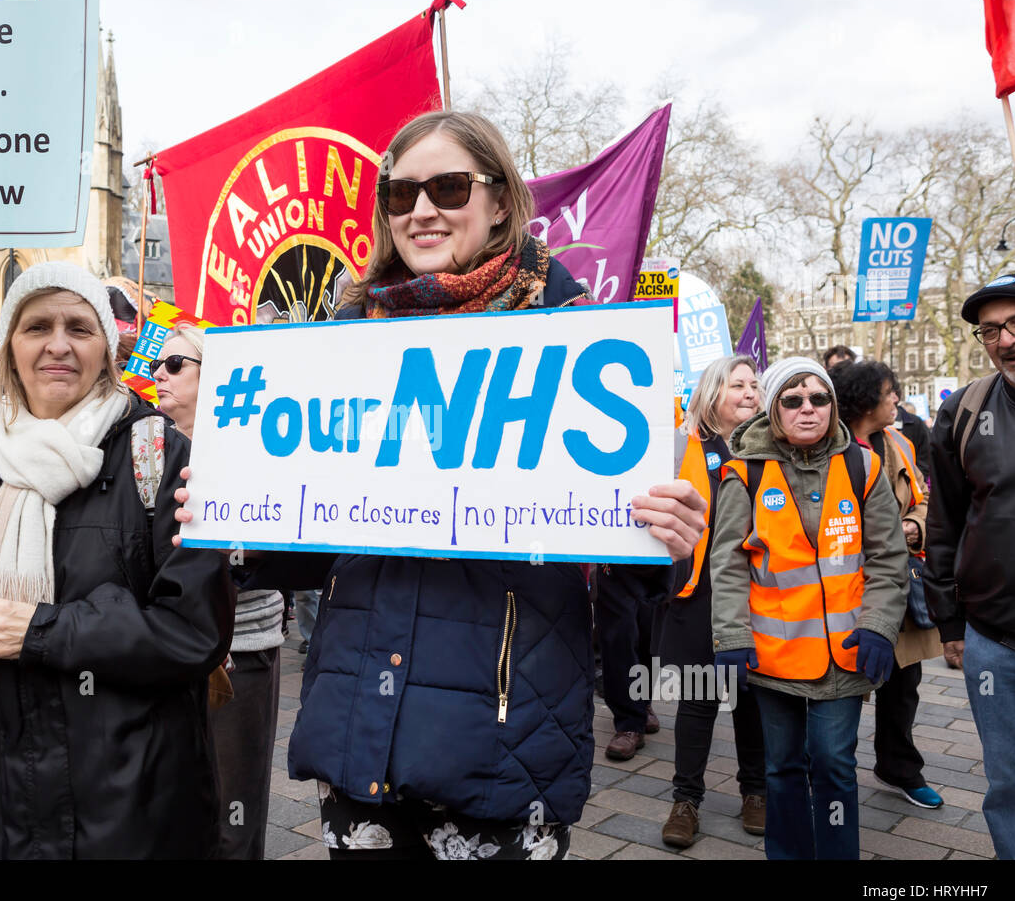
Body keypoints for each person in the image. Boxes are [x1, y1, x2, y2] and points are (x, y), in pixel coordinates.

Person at [174, 110, 707, 860]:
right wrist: (240, 519)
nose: (421, 210)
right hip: (365, 726)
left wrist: (669, 539)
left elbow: (628, 569)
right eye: (400, 194)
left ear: (500, 199)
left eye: (449, 187)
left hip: (503, 736)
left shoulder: (579, 332)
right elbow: (316, 554)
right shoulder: (343, 337)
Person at [0, 262, 234, 858]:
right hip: (2, 807)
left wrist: (36, 632)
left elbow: (194, 632)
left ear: (108, 351)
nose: (58, 344)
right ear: (10, 348)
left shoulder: (161, 455)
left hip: (138, 804)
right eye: (38, 327)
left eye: (79, 328)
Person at [710, 357, 907, 859]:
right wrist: (730, 638)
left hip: (845, 655)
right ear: (773, 409)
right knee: (781, 766)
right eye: (792, 400)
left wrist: (880, 627)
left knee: (834, 762)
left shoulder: (863, 465)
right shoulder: (743, 474)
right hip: (772, 657)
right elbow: (728, 565)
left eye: (819, 399)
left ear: (833, 406)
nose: (808, 409)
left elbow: (888, 556)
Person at [152, 321, 285, 860]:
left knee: (232, 811)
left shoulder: (257, 449)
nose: (159, 373)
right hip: (167, 652)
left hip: (240, 648)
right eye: (157, 364)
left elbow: (279, 553)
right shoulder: (147, 451)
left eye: (177, 364)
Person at [926, 272, 1015, 859]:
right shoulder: (964, 411)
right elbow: (944, 520)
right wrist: (950, 623)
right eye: (990, 330)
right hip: (1000, 643)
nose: (1005, 340)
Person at [658, 355, 767, 848]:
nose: (749, 392)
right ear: (712, 393)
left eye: (755, 385)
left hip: (759, 594)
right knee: (699, 698)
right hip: (698, 590)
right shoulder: (682, 446)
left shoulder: (773, 450)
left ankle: (757, 792)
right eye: (737, 384)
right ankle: (686, 801)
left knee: (753, 697)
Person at [832, 360, 943, 809]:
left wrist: (915, 526)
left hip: (899, 584)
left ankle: (899, 767)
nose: (896, 398)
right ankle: (829, 772)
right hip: (846, 590)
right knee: (846, 686)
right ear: (864, 399)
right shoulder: (831, 447)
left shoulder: (899, 442)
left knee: (904, 684)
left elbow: (923, 496)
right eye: (888, 391)